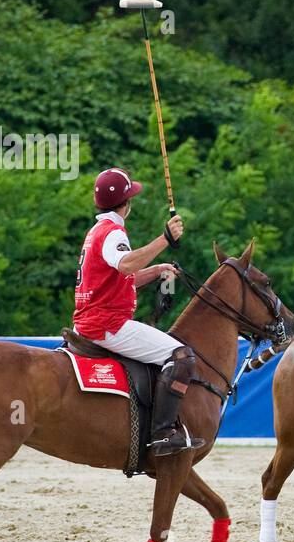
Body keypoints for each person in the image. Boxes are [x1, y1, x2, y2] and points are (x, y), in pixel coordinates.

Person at [72, 167, 204, 456]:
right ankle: (162, 434)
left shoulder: (97, 231)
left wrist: (157, 270)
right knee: (181, 356)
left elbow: (123, 277)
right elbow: (127, 265)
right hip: (106, 324)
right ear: (126, 203)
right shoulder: (112, 232)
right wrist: (164, 239)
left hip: (93, 320)